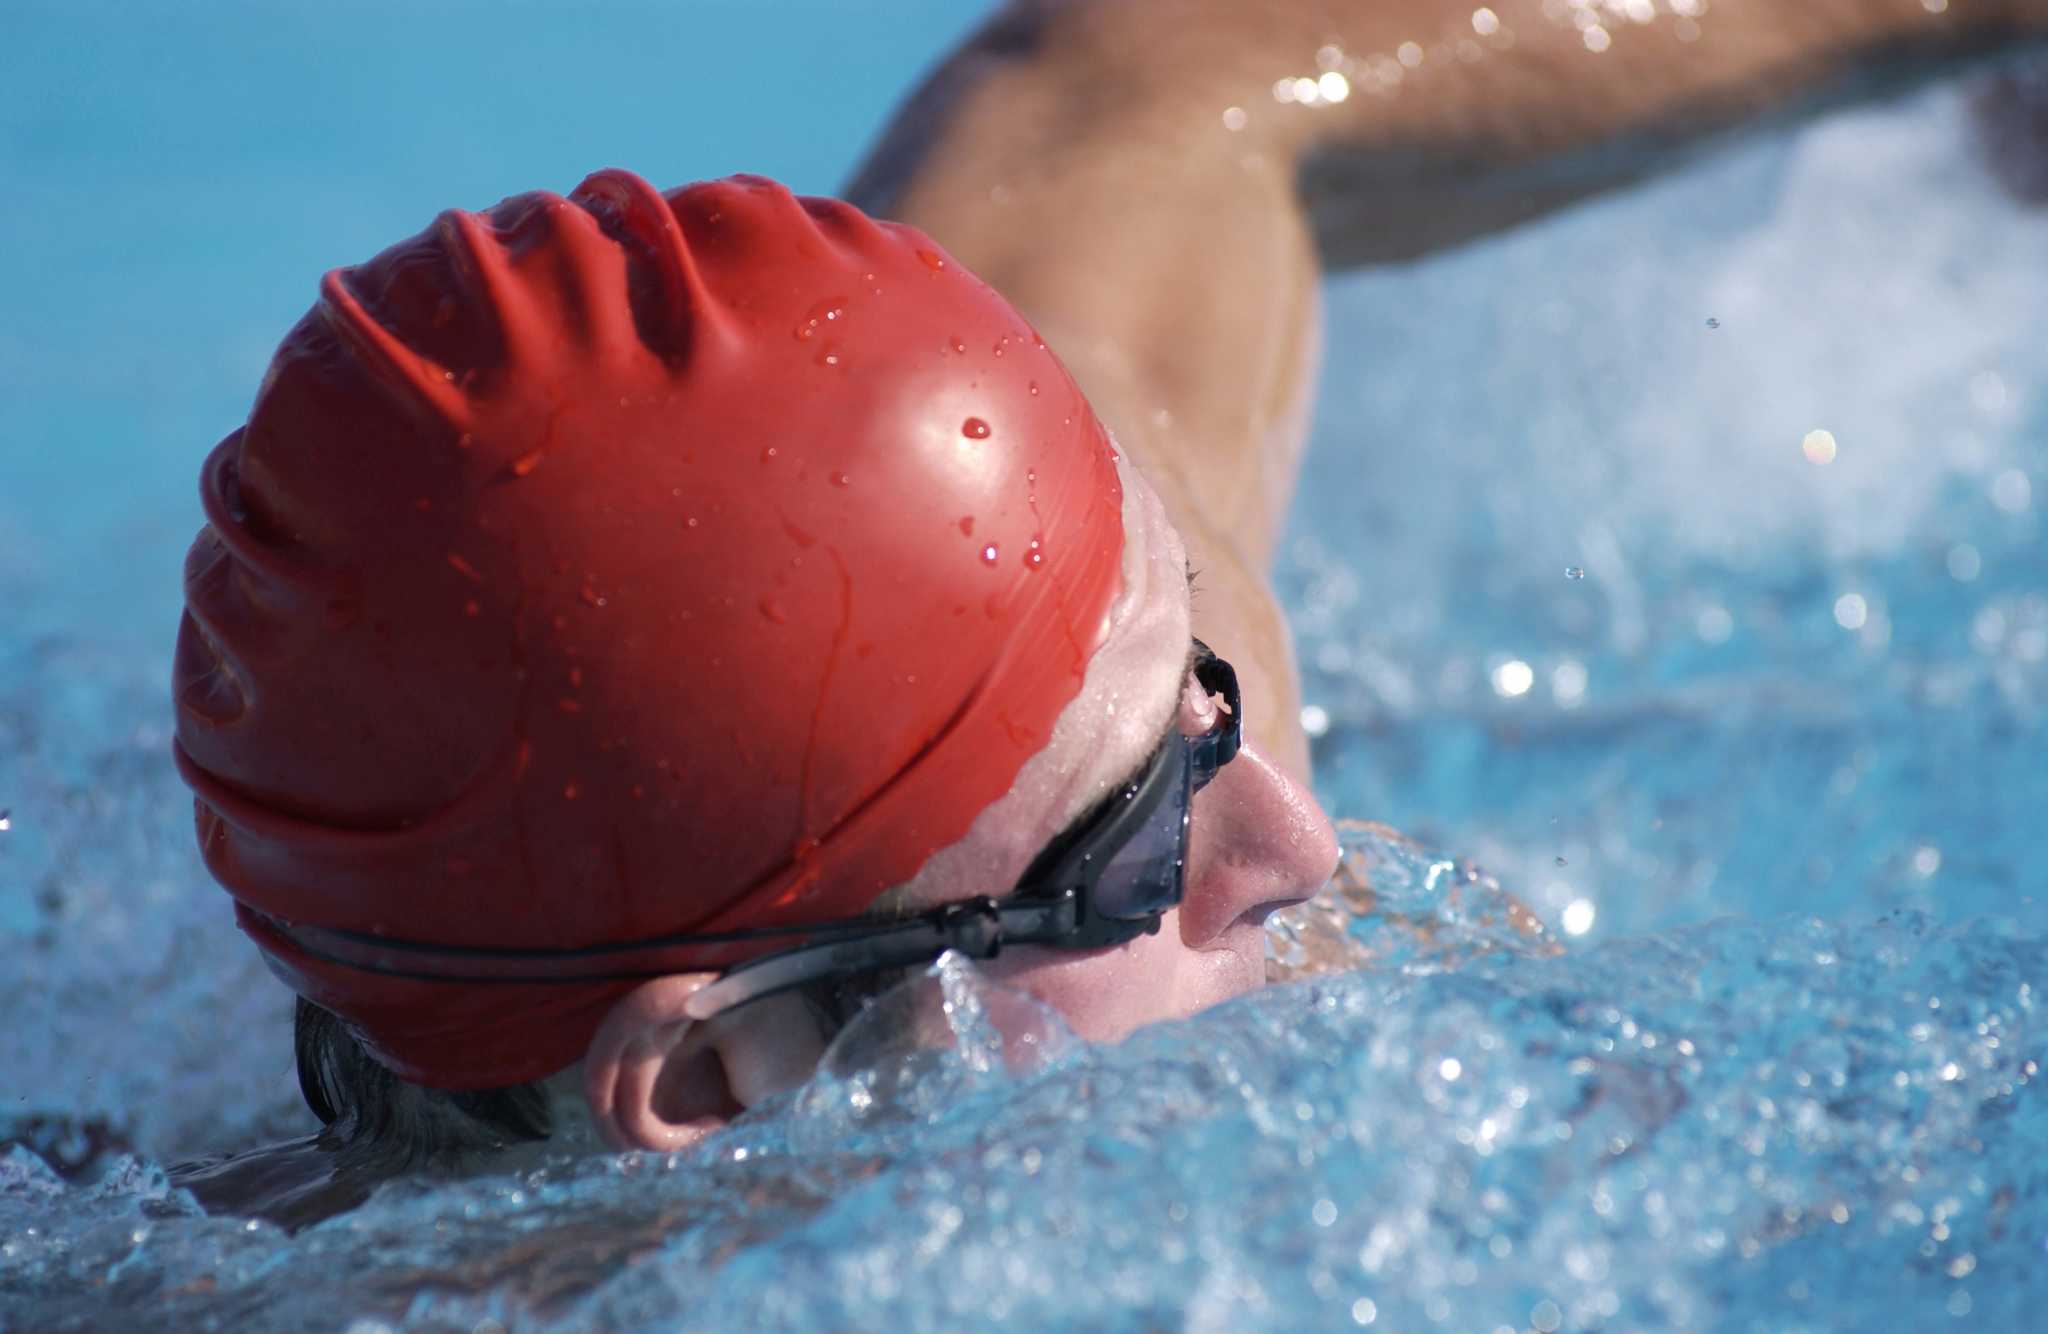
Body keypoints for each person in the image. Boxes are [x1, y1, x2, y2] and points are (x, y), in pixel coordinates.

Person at [170, 0, 2042, 1226]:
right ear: (723, 1076)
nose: (1300, 844)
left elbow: (1151, 94)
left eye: (1201, 690)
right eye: (1131, 837)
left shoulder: (1060, 557)